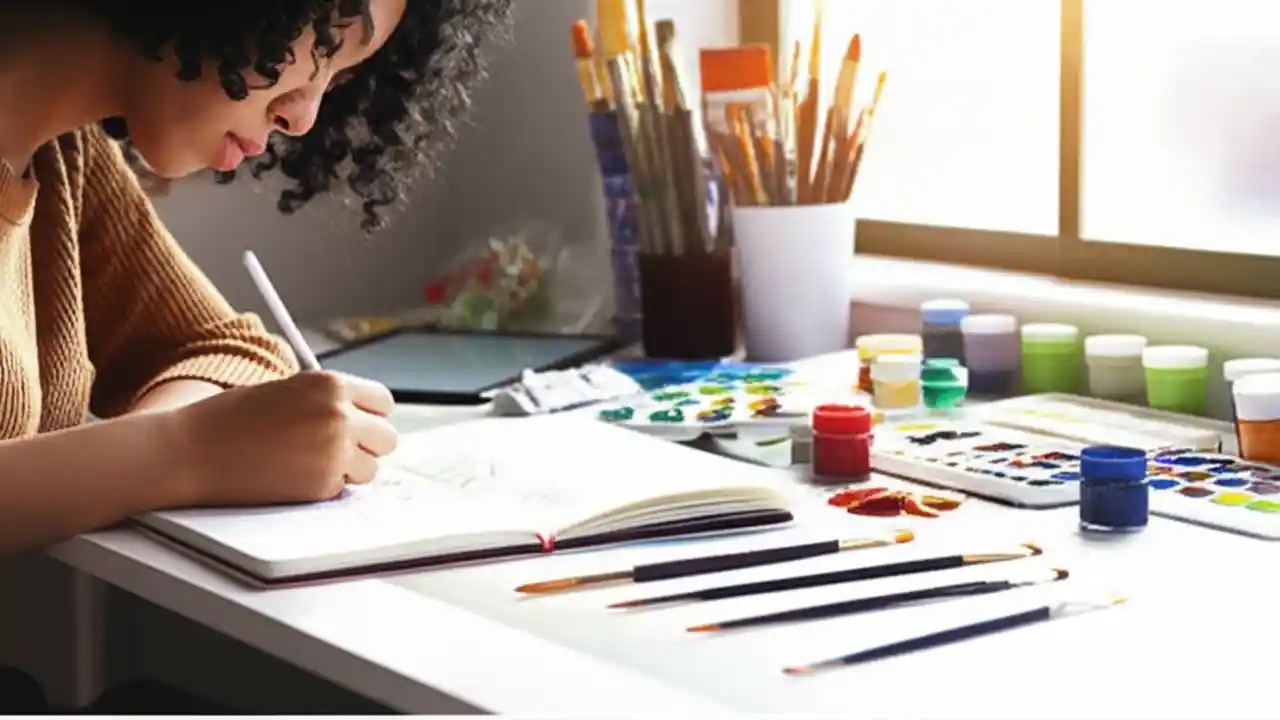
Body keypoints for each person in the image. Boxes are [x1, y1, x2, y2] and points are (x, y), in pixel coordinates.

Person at [0, 0, 512, 711]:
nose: (304, 117)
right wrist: (179, 453)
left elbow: (225, 348)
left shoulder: (61, 156)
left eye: (338, 76)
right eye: (328, 44)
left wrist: (209, 445)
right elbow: (182, 436)